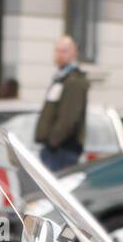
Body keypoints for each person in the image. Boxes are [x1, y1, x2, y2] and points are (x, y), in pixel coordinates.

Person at [34, 35, 89, 171]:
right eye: (57, 51)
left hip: (63, 150)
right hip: (54, 150)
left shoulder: (74, 81)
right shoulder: (61, 78)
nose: (59, 55)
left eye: (64, 51)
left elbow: (69, 119)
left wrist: (53, 141)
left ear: (74, 53)